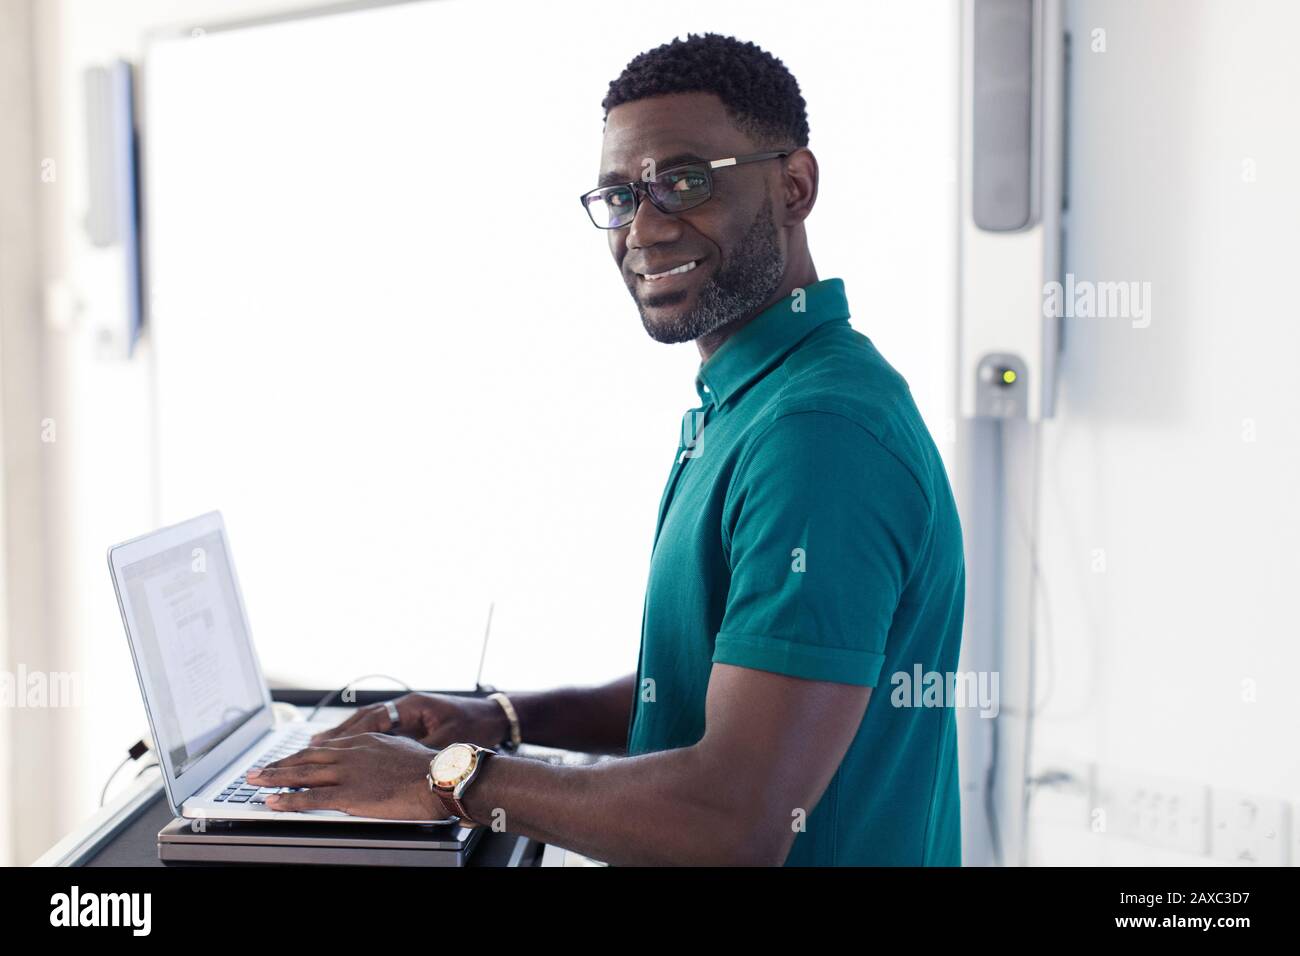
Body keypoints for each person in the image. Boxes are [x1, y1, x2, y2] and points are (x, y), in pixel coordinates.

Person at [249, 33, 965, 866]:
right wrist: (505, 721)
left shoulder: (818, 437)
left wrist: (449, 778)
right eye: (620, 196)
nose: (646, 229)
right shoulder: (754, 402)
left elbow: (733, 824)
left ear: (795, 186)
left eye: (686, 183)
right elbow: (714, 695)